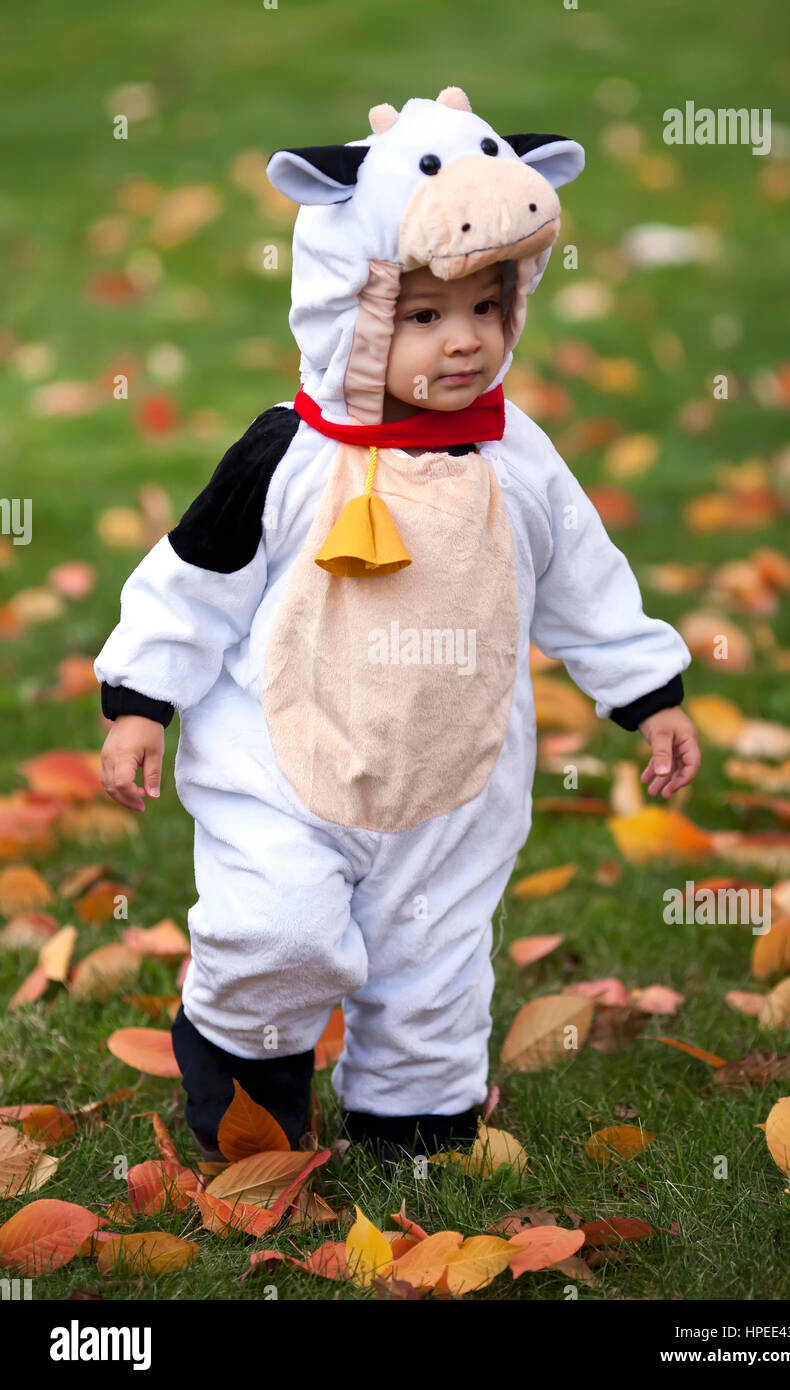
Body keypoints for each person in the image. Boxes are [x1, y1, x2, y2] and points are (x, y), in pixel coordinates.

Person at [94, 87, 700, 1168]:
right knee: (274, 930)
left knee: (433, 965)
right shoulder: (289, 457)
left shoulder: (516, 459)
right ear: (353, 302)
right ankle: (246, 1093)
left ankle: (409, 1128)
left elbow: (588, 586)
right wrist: (141, 701)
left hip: (454, 779)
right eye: (422, 316)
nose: (461, 342)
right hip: (284, 762)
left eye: (485, 307)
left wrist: (645, 692)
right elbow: (191, 578)